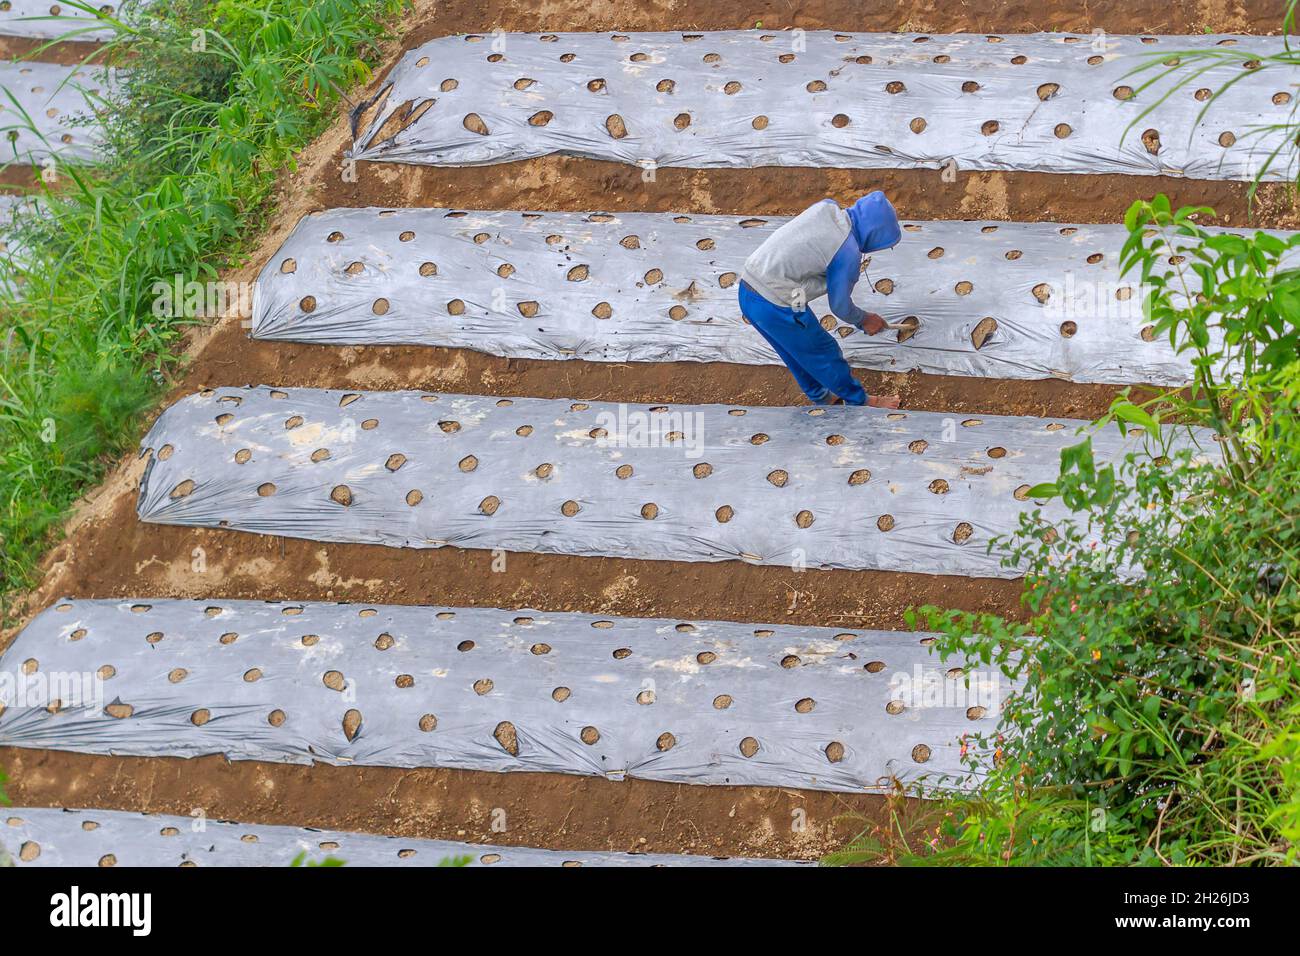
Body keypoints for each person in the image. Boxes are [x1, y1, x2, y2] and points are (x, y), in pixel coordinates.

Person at [738, 192, 903, 408]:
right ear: (875, 234)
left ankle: (821, 396)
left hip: (748, 287)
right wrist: (864, 319)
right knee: (822, 349)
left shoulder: (828, 207)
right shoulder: (848, 251)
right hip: (776, 302)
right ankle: (861, 401)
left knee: (794, 348)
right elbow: (840, 305)